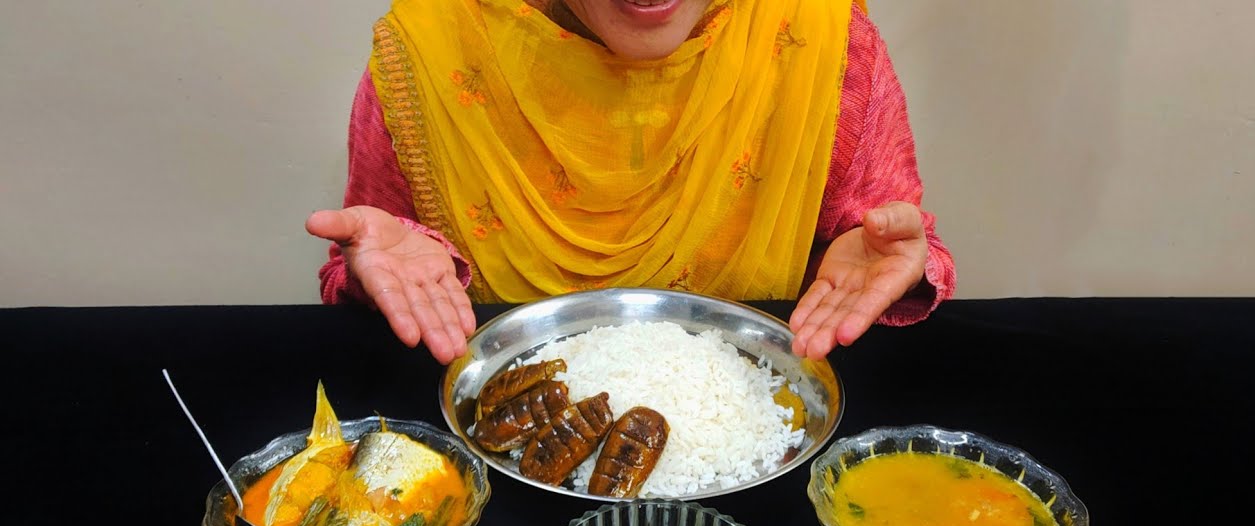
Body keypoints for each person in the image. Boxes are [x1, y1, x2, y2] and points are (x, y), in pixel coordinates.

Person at [306, 0, 955, 365]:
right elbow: (372, 265)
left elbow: (893, 254)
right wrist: (374, 276)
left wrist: (898, 261)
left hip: (752, 443)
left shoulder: (823, 43)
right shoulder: (428, 54)